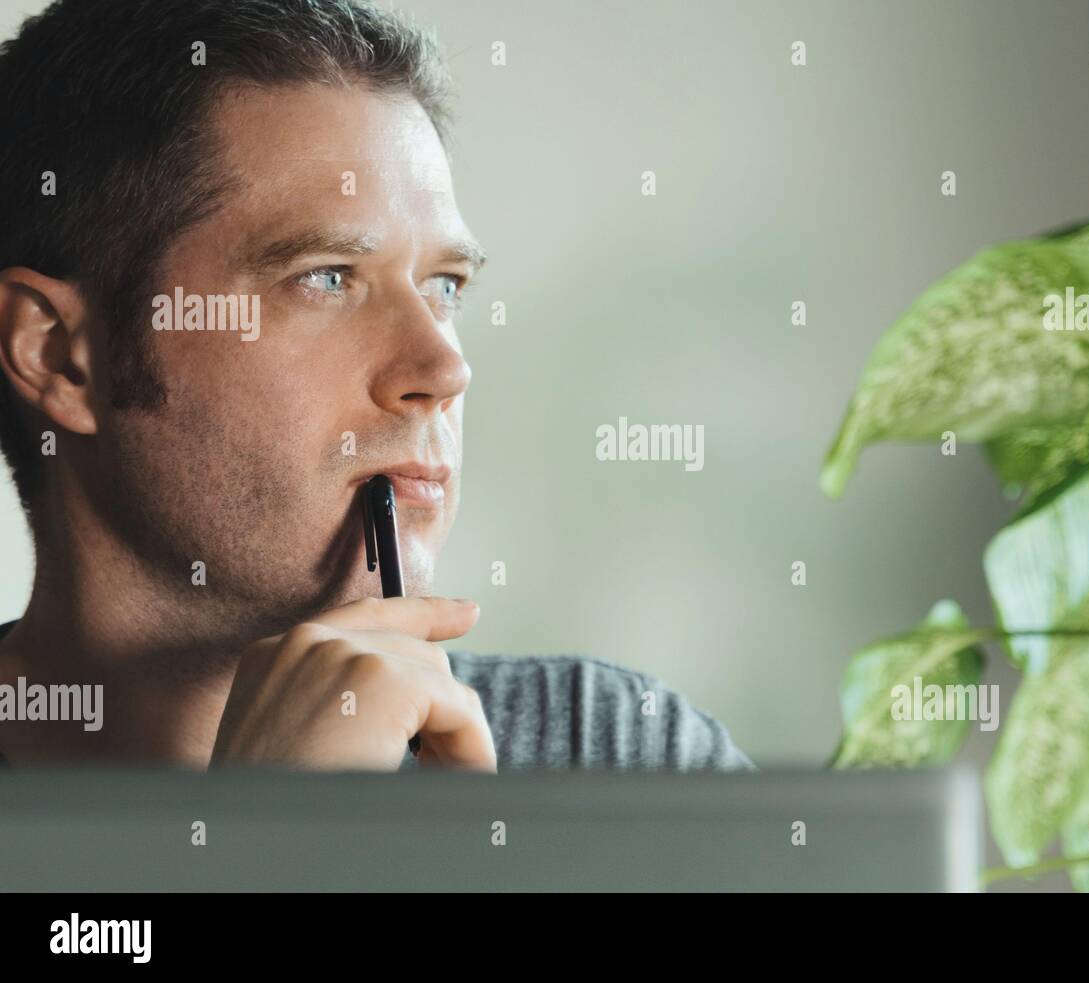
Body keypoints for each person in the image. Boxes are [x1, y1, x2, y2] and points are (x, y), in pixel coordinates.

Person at [0, 0, 752, 772]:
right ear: (59, 355)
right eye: (327, 278)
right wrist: (267, 848)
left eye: (446, 285)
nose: (443, 370)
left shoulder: (625, 760)